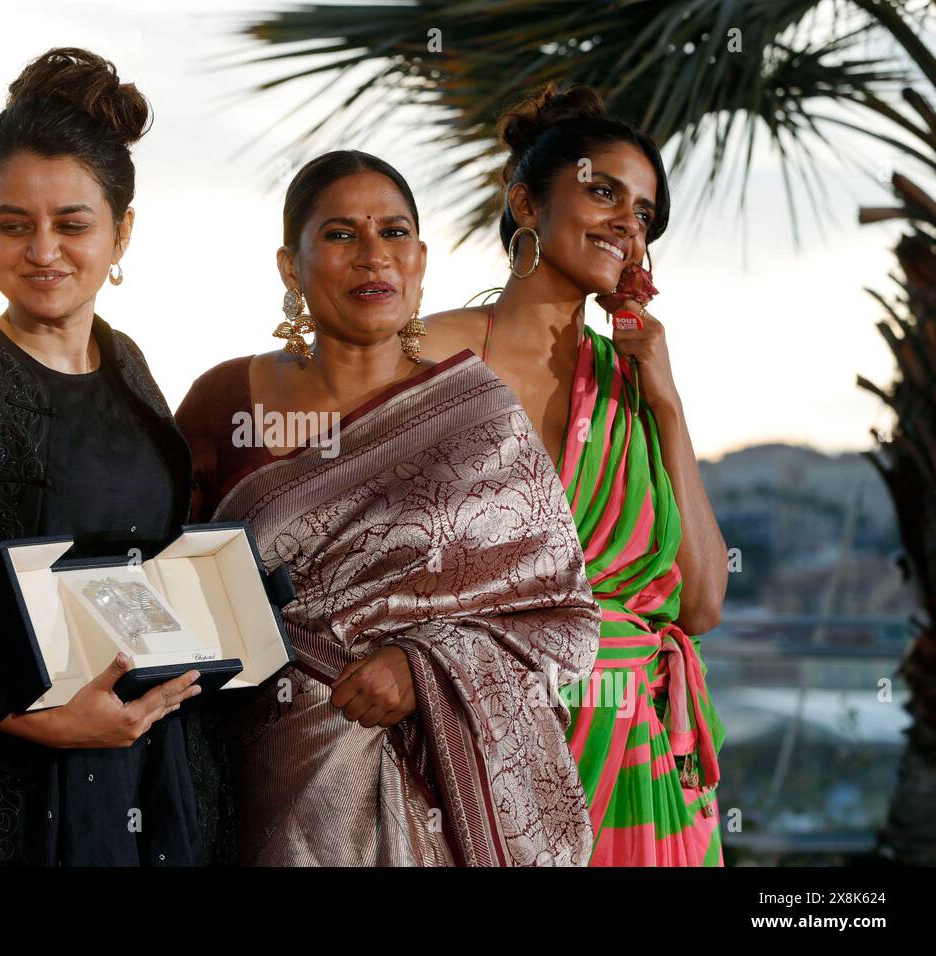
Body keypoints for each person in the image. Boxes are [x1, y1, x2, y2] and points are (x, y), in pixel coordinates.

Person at [176, 150, 601, 866]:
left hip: (430, 792)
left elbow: (564, 621)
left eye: (395, 233)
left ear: (422, 257)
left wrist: (423, 667)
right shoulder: (225, 401)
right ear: (291, 266)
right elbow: (170, 585)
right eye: (341, 235)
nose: (374, 256)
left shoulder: (481, 416)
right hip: (260, 776)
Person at [0, 48, 204, 867]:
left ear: (121, 232)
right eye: (13, 224)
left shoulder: (130, 362)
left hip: (142, 770)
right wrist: (39, 720)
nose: (44, 251)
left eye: (73, 224)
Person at [421, 83, 728, 866]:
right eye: (602, 192)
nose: (627, 224)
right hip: (480, 746)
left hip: (641, 765)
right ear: (525, 203)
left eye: (645, 213)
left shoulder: (631, 385)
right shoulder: (429, 354)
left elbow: (700, 604)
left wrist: (666, 399)